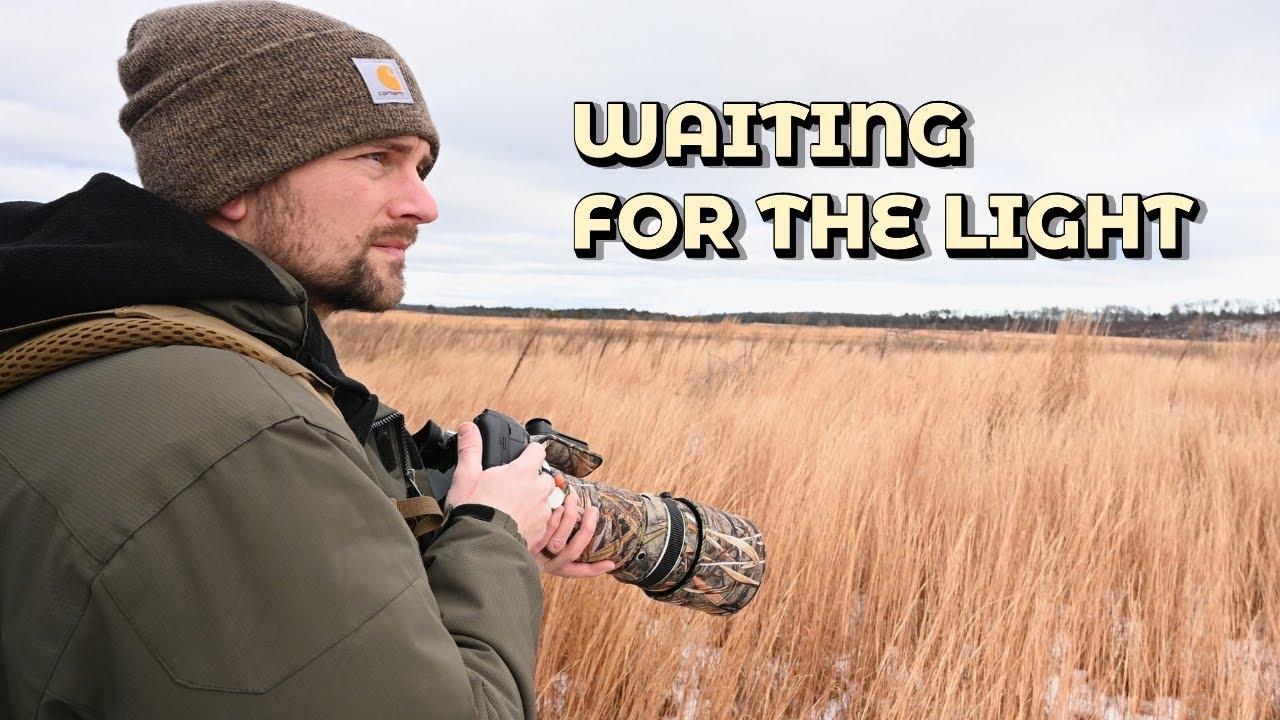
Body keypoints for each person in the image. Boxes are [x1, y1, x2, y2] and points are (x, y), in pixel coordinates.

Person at [0, 2, 612, 718]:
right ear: (231, 178)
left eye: (421, 164)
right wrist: (492, 537)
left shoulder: (77, 333)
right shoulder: (235, 435)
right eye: (377, 158)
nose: (425, 203)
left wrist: (445, 533)